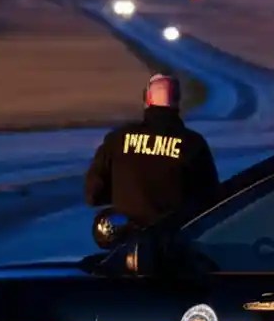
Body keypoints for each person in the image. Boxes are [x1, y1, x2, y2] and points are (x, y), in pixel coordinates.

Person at [85, 74, 220, 227]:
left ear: (148, 99)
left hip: (126, 239)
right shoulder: (194, 144)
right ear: (177, 102)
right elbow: (210, 201)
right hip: (173, 239)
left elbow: (93, 194)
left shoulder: (117, 139)